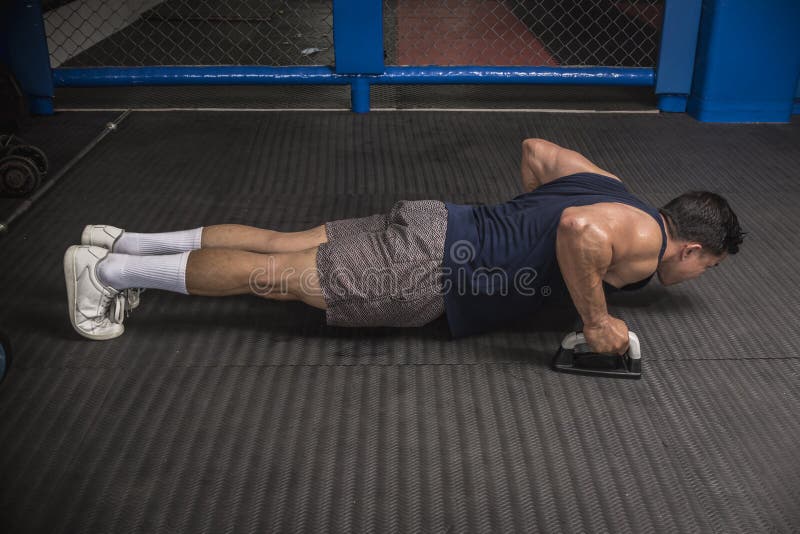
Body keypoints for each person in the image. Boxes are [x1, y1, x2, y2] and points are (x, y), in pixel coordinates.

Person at [63, 138, 744, 354]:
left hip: (435, 222)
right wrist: (596, 320)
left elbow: (537, 152)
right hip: (430, 269)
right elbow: (578, 232)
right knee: (268, 275)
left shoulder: (612, 187)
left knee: (278, 242)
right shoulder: (644, 240)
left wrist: (519, 225)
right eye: (708, 267)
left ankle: (122, 241)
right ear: (690, 249)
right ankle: (107, 274)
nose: (698, 275)